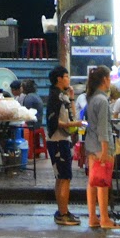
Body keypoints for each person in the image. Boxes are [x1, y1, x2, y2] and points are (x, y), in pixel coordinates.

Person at [81, 65, 120, 230]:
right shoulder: (102, 100)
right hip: (101, 147)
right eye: (109, 77)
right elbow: (103, 128)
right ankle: (104, 218)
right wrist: (105, 150)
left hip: (90, 145)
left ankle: (93, 217)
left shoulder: (91, 98)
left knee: (92, 181)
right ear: (104, 79)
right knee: (103, 183)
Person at [45, 66, 81, 226]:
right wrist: (74, 124)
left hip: (63, 140)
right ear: (59, 79)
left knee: (62, 177)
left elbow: (72, 115)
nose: (68, 79)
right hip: (58, 141)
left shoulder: (62, 96)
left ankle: (63, 210)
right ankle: (62, 213)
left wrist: (72, 98)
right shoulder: (55, 96)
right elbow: (54, 122)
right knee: (64, 177)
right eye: (66, 76)